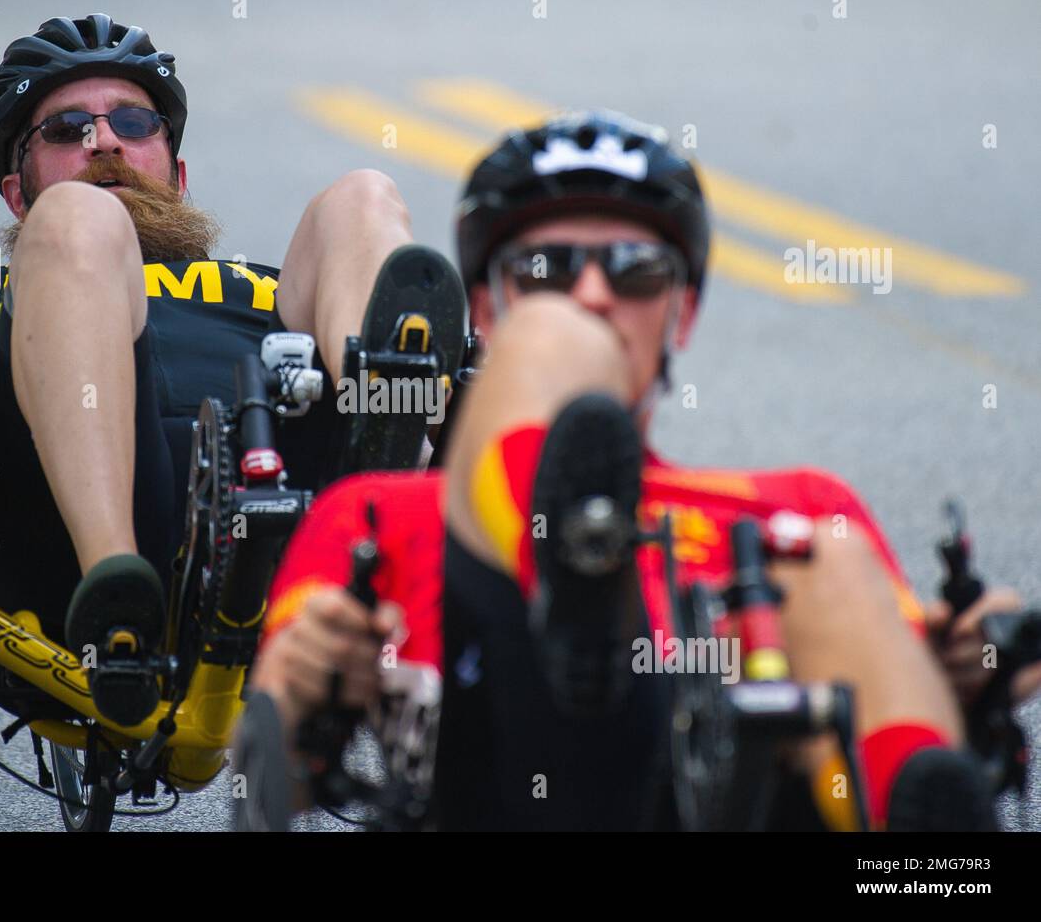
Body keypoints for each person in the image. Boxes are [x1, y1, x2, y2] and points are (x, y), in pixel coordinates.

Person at [248, 109, 1038, 830]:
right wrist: (304, 678)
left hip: (753, 787)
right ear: (484, 312)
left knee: (823, 556)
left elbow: (919, 675)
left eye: (636, 271)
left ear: (682, 311)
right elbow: (275, 767)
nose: (591, 295)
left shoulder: (796, 505)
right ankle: (578, 580)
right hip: (523, 768)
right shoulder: (384, 510)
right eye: (546, 270)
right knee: (551, 343)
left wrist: (970, 664)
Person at [0, 14, 465, 726]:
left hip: (295, 507)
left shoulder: (272, 286)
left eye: (133, 121)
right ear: (16, 194)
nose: (104, 141)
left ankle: (390, 465)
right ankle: (115, 588)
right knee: (81, 218)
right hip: (67, 541)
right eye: (65, 130)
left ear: (177, 174)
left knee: (363, 197)